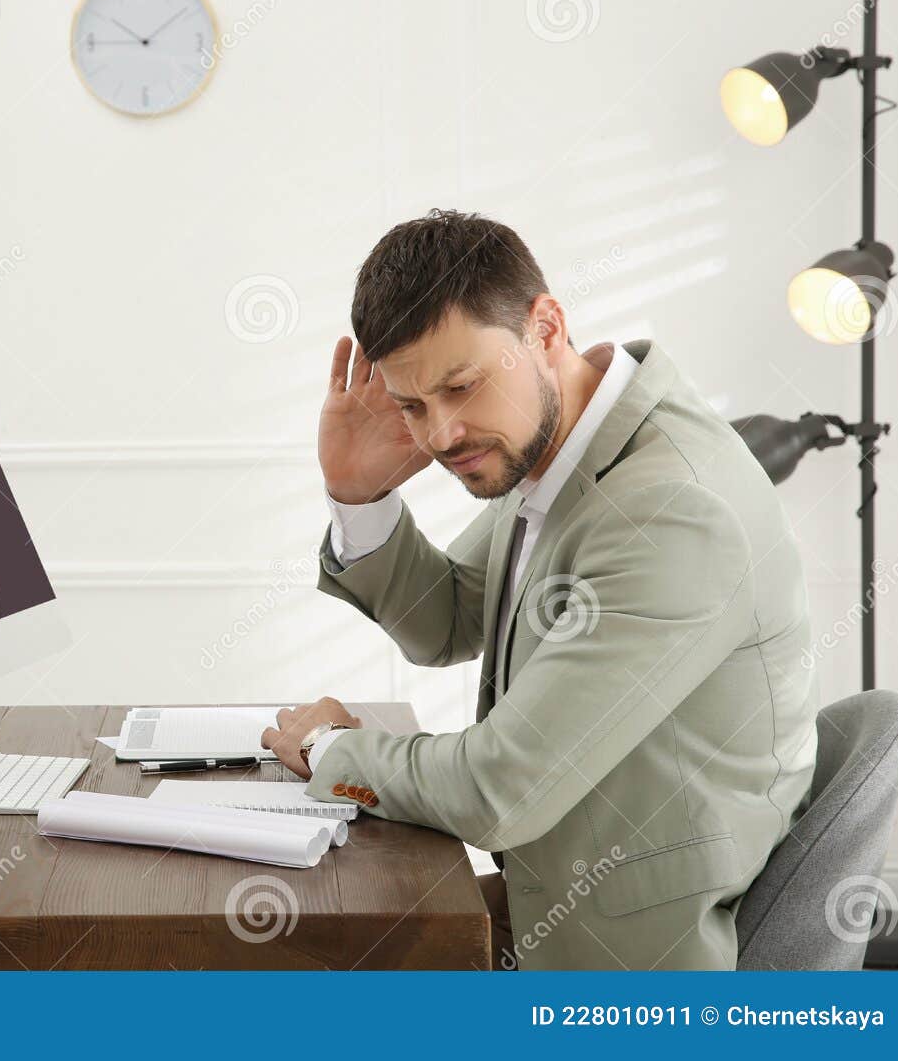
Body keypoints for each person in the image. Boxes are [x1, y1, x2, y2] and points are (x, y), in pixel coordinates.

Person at [262, 209, 817, 970]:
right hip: (547, 904)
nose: (442, 435)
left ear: (545, 327)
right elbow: (445, 620)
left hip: (628, 962)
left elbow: (500, 789)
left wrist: (331, 747)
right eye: (413, 405)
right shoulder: (572, 448)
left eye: (461, 386)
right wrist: (358, 495)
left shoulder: (667, 507)